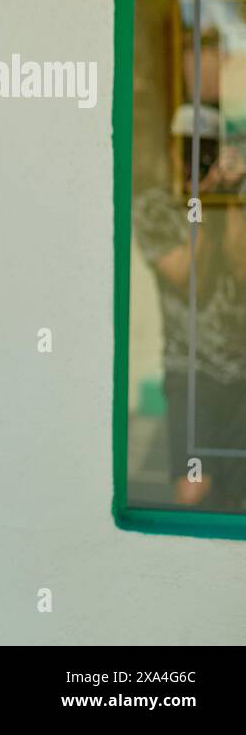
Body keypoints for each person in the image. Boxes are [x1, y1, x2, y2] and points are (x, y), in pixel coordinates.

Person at [133, 102, 246, 512]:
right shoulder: (155, 206)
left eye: (207, 150)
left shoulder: (233, 198)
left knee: (238, 500)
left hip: (241, 371)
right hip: (192, 371)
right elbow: (187, 277)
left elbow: (241, 265)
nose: (197, 160)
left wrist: (227, 200)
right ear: (172, 150)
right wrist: (203, 202)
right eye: (189, 148)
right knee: (194, 491)